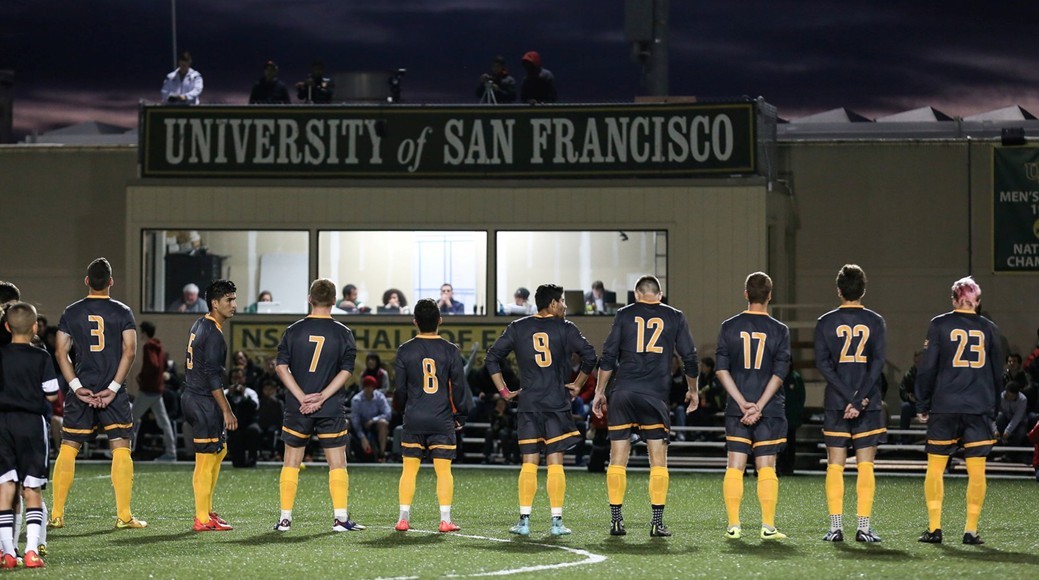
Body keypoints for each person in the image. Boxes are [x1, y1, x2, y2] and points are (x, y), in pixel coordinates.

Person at [591, 275, 698, 538]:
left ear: (637, 294)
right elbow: (690, 357)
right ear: (660, 295)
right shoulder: (675, 316)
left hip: (624, 392)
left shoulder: (624, 314)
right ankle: (656, 522)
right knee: (658, 461)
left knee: (617, 458)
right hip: (655, 395)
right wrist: (693, 390)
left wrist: (599, 392)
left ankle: (616, 521)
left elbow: (608, 355)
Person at [486, 284, 596, 537]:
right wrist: (578, 385)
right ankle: (556, 522)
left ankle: (524, 521)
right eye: (563, 301)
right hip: (556, 403)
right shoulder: (566, 328)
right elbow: (590, 356)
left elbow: (492, 357)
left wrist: (504, 392)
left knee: (529, 462)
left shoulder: (518, 327)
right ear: (553, 303)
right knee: (555, 462)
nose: (566, 306)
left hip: (528, 404)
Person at [50, 258, 145, 530]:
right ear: (111, 282)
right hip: (112, 389)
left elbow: (60, 351)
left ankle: (57, 515)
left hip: (83, 389)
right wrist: (114, 387)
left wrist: (76, 386)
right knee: (120, 447)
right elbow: (130, 350)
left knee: (68, 447)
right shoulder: (123, 311)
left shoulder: (71, 312)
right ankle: (124, 516)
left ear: (87, 281)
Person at [915, 276, 1003, 545]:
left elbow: (927, 367)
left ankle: (935, 528)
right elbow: (997, 373)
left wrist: (922, 402)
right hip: (978, 407)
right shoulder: (990, 329)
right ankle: (971, 530)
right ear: (977, 301)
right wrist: (994, 407)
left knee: (935, 467)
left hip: (945, 405)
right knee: (977, 472)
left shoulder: (939, 324)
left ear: (954, 299)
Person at [273, 278, 364, 532]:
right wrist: (322, 397)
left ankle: (285, 520)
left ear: (309, 299)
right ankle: (341, 519)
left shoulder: (293, 330)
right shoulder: (344, 333)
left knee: (291, 462)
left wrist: (302, 397)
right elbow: (346, 372)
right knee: (337, 463)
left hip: (297, 406)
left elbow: (281, 367)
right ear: (334, 301)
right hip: (330, 406)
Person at [715, 272, 791, 541]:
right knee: (767, 466)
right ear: (770, 295)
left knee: (735, 465)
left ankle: (734, 525)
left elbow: (721, 370)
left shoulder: (728, 326)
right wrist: (758, 406)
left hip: (738, 408)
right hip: (768, 409)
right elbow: (780, 373)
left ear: (746, 294)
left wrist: (742, 403)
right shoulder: (780, 330)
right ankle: (767, 526)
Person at [813, 264, 887, 542]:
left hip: (836, 404)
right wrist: (859, 398)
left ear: (839, 290)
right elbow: (877, 364)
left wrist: (847, 398)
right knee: (866, 466)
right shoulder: (876, 321)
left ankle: (835, 527)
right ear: (863, 289)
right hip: (867, 402)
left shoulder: (825, 322)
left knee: (835, 465)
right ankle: (864, 527)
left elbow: (824, 365)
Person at [393, 298, 471, 532]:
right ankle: (445, 520)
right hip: (442, 418)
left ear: (414, 321)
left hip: (414, 417)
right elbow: (458, 387)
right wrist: (462, 415)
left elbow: (400, 389)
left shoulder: (404, 350)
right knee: (443, 470)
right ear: (440, 320)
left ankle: (403, 518)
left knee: (409, 469)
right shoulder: (450, 350)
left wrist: (402, 410)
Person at [0, 302, 60, 569]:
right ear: (35, 327)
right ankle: (32, 550)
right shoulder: (41, 357)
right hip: (32, 424)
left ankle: (8, 553)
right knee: (32, 487)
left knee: (5, 485)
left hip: (2, 423)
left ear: (6, 326)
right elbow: (51, 393)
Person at [182, 279, 239, 532]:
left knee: (220, 451)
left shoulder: (201, 323)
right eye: (229, 300)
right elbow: (213, 376)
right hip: (203, 400)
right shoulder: (213, 333)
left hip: (197, 397)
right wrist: (226, 409)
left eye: (234, 299)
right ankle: (202, 518)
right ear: (215, 303)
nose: (234, 304)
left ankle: (206, 511)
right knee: (205, 460)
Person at [132, 321, 177, 461]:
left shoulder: (148, 346)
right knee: (164, 422)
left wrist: (142, 377)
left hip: (148, 390)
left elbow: (153, 364)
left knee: (130, 420)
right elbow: (162, 365)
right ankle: (171, 453)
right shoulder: (159, 347)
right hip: (157, 390)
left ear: (144, 332)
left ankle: (120, 450)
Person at [224, 368, 260, 468]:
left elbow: (255, 406)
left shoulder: (250, 392)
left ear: (244, 379)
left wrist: (244, 396)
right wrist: (229, 395)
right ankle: (237, 459)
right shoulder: (225, 393)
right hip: (232, 425)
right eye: (234, 378)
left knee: (254, 430)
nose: (237, 381)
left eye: (239, 378)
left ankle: (253, 458)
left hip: (249, 423)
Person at [350, 376, 392, 461]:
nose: (369, 389)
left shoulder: (380, 397)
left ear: (374, 387)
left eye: (371, 387)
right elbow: (355, 420)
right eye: (366, 387)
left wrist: (373, 420)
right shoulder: (356, 400)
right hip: (360, 425)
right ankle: (347, 456)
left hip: (374, 424)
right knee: (345, 424)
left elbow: (388, 413)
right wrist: (362, 437)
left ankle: (381, 454)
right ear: (363, 388)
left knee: (383, 423)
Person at [995, 381, 1028, 445]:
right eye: (1008, 395)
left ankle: (1012, 450)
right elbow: (994, 413)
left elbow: (1017, 417)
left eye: (1012, 396)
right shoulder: (1000, 396)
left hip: (1020, 421)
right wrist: (995, 430)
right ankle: (998, 443)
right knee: (999, 418)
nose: (1010, 398)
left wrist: (1008, 431)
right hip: (1006, 418)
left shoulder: (1023, 400)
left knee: (1020, 433)